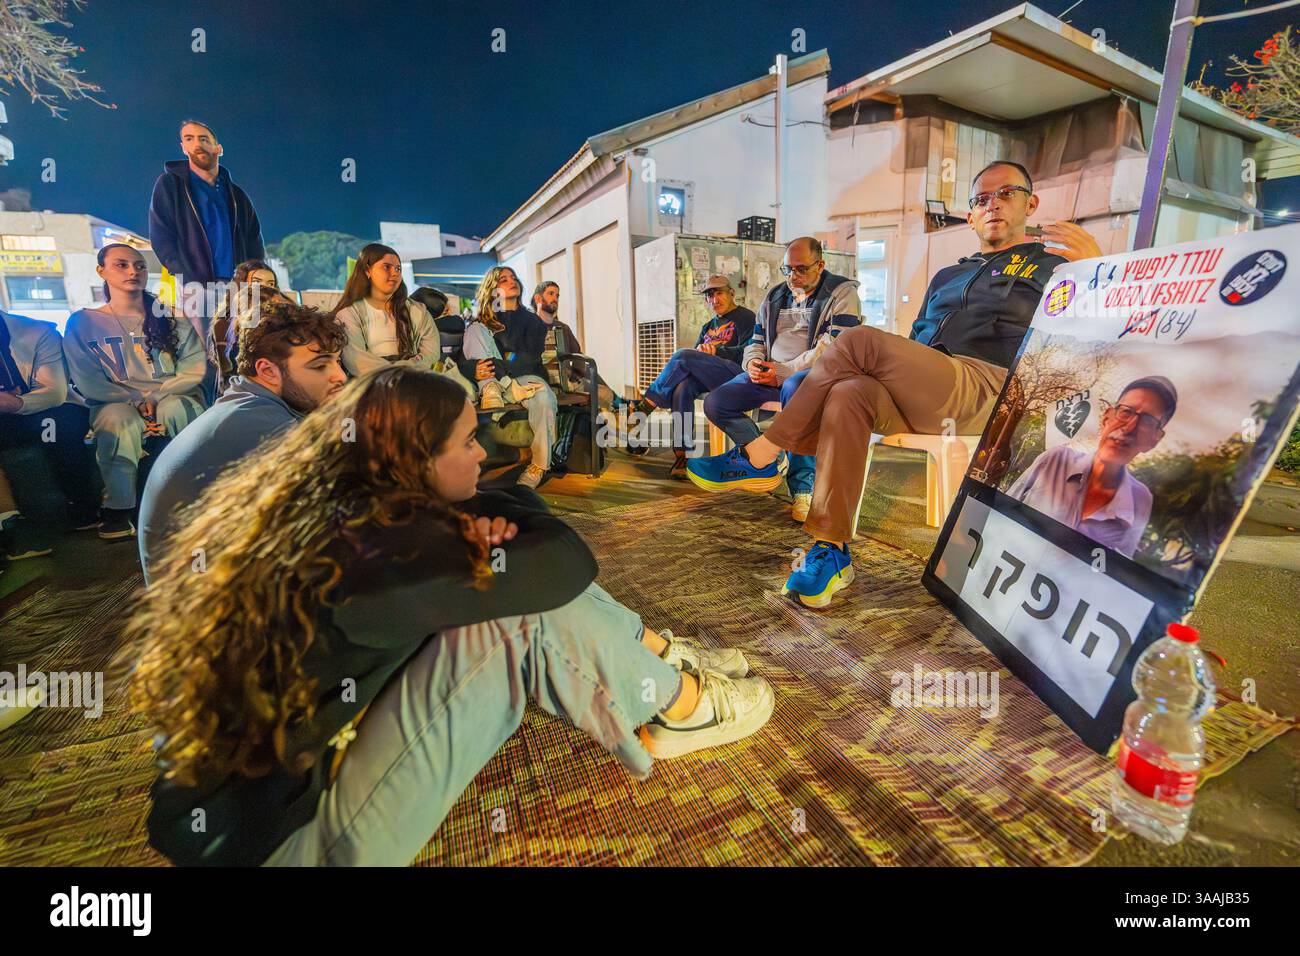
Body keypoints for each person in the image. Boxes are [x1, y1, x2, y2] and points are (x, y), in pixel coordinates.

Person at [130, 366, 775, 866]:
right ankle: (684, 708)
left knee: (512, 584)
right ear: (413, 463)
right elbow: (566, 560)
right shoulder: (377, 558)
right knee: (520, 619)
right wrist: (498, 519)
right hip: (289, 847)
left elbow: (522, 519)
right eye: (468, 440)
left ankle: (659, 664)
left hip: (276, 798)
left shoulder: (340, 506)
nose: (483, 451)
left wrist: (489, 519)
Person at [687, 161, 1101, 608]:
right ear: (970, 216)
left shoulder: (1056, 269)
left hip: (987, 387)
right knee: (850, 393)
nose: (992, 205)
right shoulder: (949, 275)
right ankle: (832, 549)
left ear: (1030, 203)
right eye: (981, 199)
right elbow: (919, 338)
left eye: (1006, 194)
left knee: (858, 339)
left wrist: (1095, 269)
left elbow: (1093, 339)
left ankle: (766, 454)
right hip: (929, 382)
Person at [138, 301, 348, 582]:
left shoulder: (249, 406)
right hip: (204, 607)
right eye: (320, 365)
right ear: (268, 371)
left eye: (338, 360)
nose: (340, 376)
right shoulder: (259, 424)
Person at [702, 239, 860, 519]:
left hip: (809, 378)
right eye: (787, 270)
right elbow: (756, 340)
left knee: (796, 390)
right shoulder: (775, 295)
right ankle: (767, 459)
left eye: (801, 269)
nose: (793, 277)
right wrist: (752, 363)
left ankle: (802, 489)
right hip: (770, 373)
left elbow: (833, 349)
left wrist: (784, 371)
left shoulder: (841, 293)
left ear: (820, 265)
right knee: (716, 402)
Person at [63, 244, 207, 540]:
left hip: (171, 397)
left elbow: (193, 369)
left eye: (139, 265)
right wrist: (133, 400)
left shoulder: (171, 317)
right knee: (117, 421)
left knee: (178, 409)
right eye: (121, 265)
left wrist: (156, 396)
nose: (133, 271)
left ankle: (192, 498)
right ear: (101, 271)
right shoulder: (84, 322)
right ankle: (118, 509)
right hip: (114, 402)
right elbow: (87, 379)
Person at [1007, 377, 1174, 558]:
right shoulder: (1055, 460)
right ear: (1106, 418)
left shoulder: (1141, 499)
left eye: (1147, 421)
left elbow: (1114, 568)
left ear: (1155, 439)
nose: (1130, 428)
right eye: (1126, 412)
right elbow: (1000, 513)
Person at [633, 274, 756, 478]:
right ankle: (683, 455)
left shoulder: (746, 317)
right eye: (709, 296)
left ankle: (645, 406)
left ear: (731, 293)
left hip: (736, 374)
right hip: (712, 376)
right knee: (682, 387)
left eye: (719, 293)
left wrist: (717, 352)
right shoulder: (707, 327)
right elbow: (691, 362)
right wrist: (701, 351)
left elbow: (749, 351)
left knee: (682, 356)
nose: (715, 300)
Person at [0, 309, 100, 558]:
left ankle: (80, 507)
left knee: (55, 425)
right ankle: (13, 523)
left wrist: (13, 403)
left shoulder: (37, 332)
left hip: (50, 410)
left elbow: (54, 393)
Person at [459, 266, 556, 489]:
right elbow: (462, 362)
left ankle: (539, 466)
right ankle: (499, 386)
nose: (511, 281)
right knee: (475, 330)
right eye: (503, 279)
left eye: (513, 278)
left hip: (523, 378)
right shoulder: (480, 324)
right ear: (492, 290)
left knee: (543, 398)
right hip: (492, 384)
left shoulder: (533, 321)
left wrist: (499, 368)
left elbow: (528, 358)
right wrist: (474, 369)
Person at [148, 120, 265, 292]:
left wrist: (252, 277)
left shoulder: (237, 196)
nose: (197, 144)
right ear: (183, 147)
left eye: (203, 139)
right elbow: (161, 235)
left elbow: (254, 241)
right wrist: (184, 276)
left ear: (219, 148)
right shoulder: (170, 185)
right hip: (194, 286)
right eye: (189, 139)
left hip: (237, 286)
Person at [334, 243, 440, 376]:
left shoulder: (418, 311)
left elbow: (431, 356)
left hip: (414, 385)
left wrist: (404, 371)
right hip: (370, 389)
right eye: (387, 267)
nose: (395, 273)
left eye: (398, 268)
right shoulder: (349, 315)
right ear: (368, 270)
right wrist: (401, 370)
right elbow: (357, 361)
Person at [208, 259, 285, 394]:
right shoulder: (224, 323)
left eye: (270, 284)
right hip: (243, 391)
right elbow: (230, 370)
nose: (264, 287)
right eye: (257, 282)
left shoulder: (283, 319)